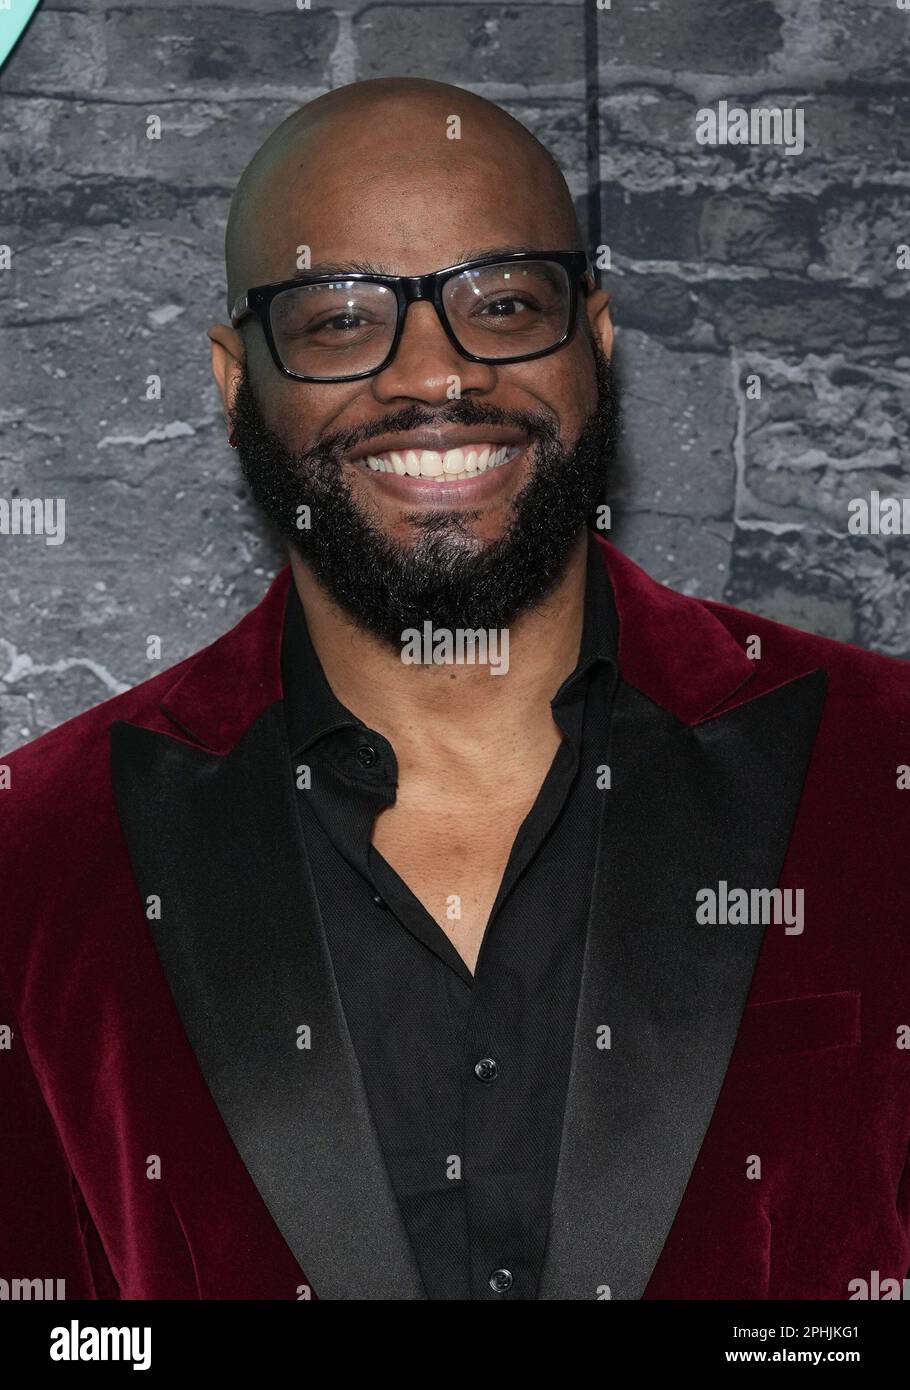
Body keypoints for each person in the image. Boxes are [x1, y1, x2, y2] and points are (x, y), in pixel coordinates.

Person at [1, 77, 908, 1302]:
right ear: (232, 383)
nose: (436, 375)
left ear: (593, 343)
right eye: (337, 318)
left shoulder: (880, 765)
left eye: (504, 302)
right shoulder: (39, 853)